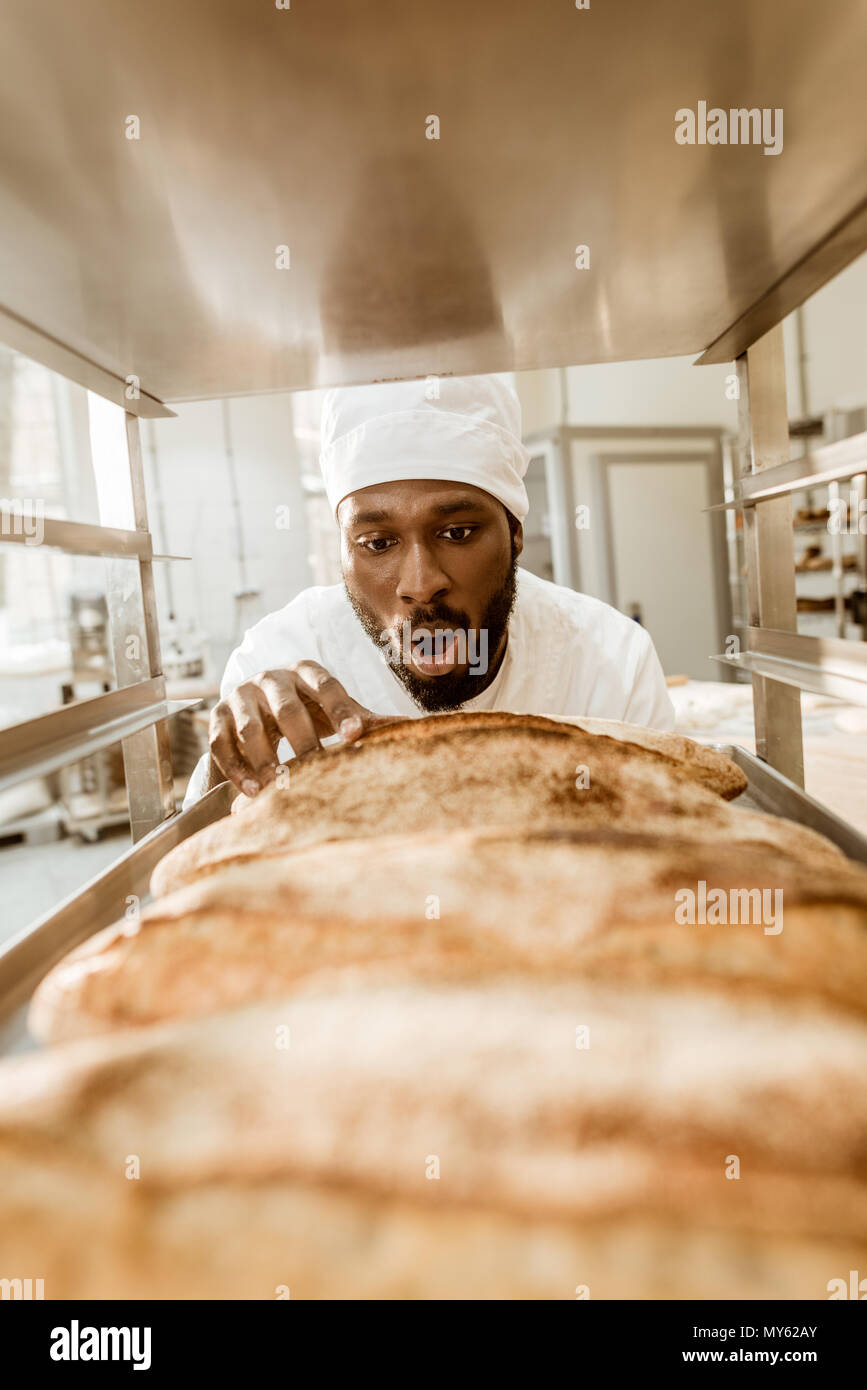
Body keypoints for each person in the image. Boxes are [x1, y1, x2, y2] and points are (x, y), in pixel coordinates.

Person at [184, 374, 674, 804]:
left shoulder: (610, 661)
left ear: (515, 535)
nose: (421, 584)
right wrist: (229, 767)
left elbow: (667, 843)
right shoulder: (277, 656)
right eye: (377, 543)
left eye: (457, 533)